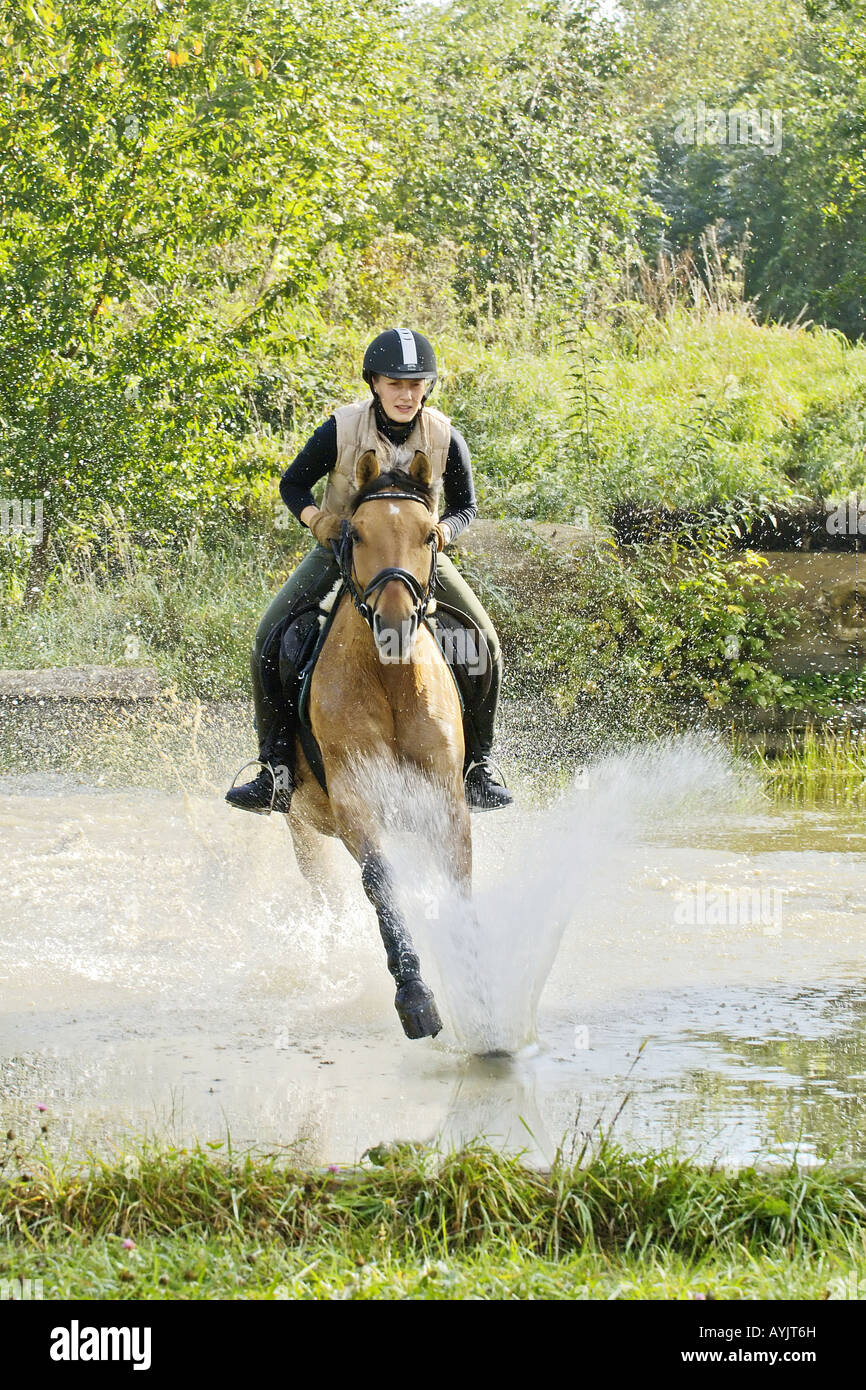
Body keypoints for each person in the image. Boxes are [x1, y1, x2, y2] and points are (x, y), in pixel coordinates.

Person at [225, 327, 512, 814]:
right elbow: (293, 484)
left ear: (428, 387)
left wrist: (442, 533)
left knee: (483, 639)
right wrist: (319, 521)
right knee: (269, 635)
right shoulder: (340, 428)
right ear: (374, 384)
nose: (406, 394)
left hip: (415, 556)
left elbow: (467, 506)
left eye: (416, 384)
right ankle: (274, 768)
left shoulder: (444, 434)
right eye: (394, 383)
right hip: (343, 546)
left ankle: (478, 766)